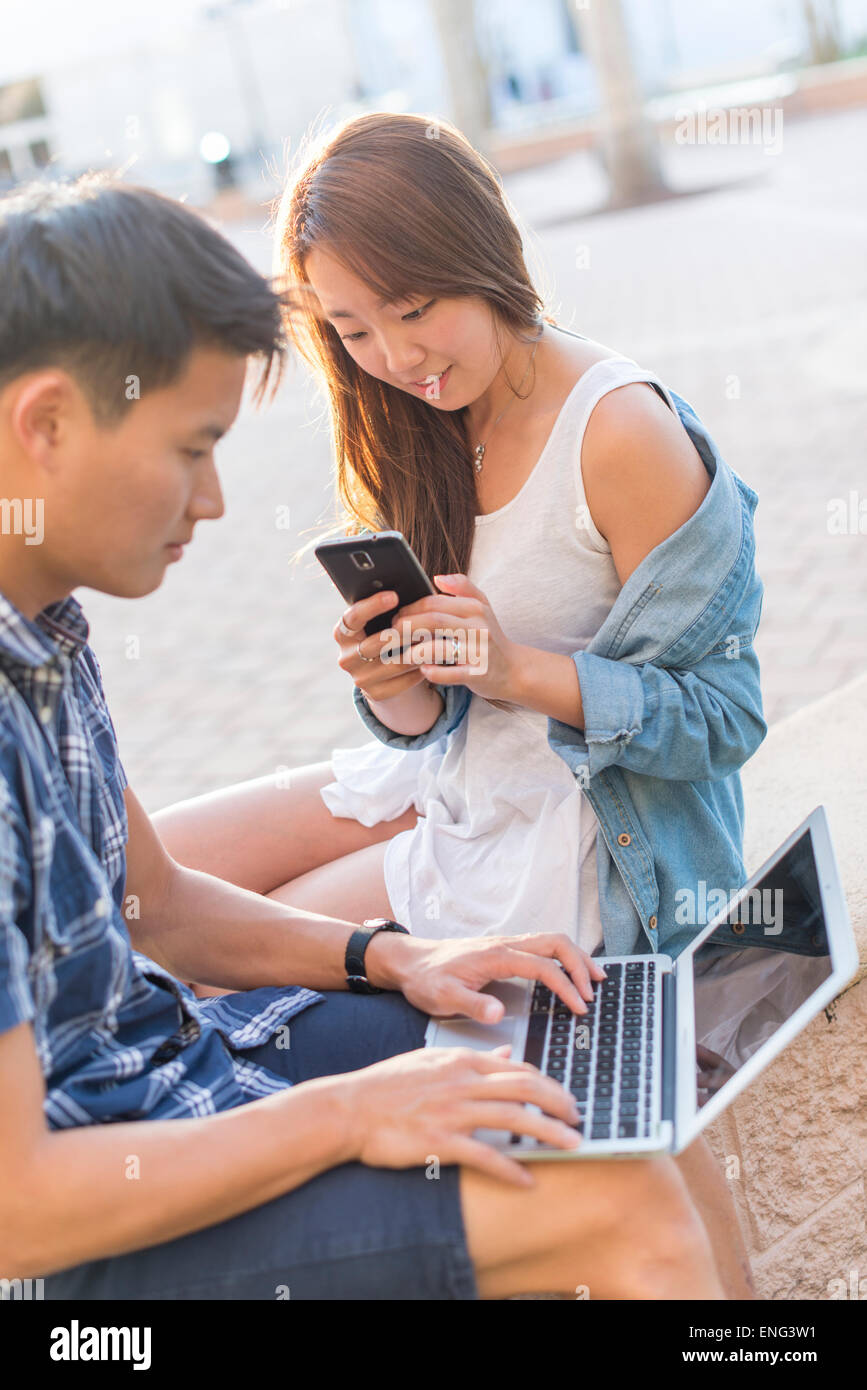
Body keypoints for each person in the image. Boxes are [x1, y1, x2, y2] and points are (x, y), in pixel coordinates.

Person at [0, 173, 752, 1300]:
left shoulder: (46, 626)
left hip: (182, 1071)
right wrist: (351, 1110)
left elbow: (152, 901)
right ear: (47, 423)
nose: (211, 503)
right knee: (620, 1197)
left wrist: (396, 955)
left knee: (558, 1040)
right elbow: (22, 1213)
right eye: (194, 447)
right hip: (102, 1227)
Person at [154, 111, 766, 969]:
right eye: (352, 330)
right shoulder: (422, 416)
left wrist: (515, 670)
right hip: (457, 780)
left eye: (412, 309)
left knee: (220, 960)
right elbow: (438, 719)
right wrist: (397, 683)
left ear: (480, 256)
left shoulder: (617, 432)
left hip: (580, 833)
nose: (397, 358)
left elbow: (725, 719)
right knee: (142, 871)